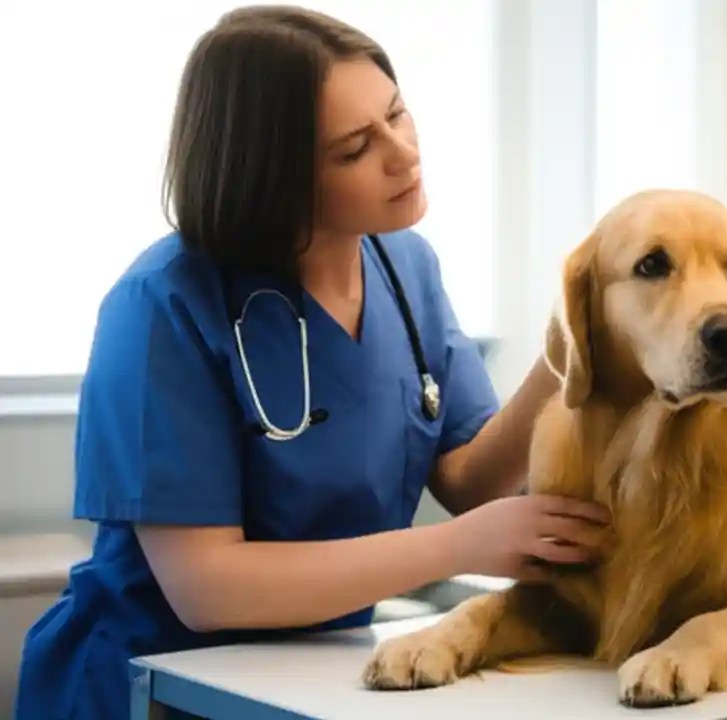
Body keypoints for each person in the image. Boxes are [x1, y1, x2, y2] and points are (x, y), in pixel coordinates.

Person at [13, 6, 611, 719]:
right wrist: (458, 548)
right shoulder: (159, 307)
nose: (404, 153)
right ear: (274, 176)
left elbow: (472, 479)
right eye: (356, 148)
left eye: (398, 114)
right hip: (152, 685)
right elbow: (207, 588)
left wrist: (571, 337)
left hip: (311, 680)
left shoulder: (403, 265)